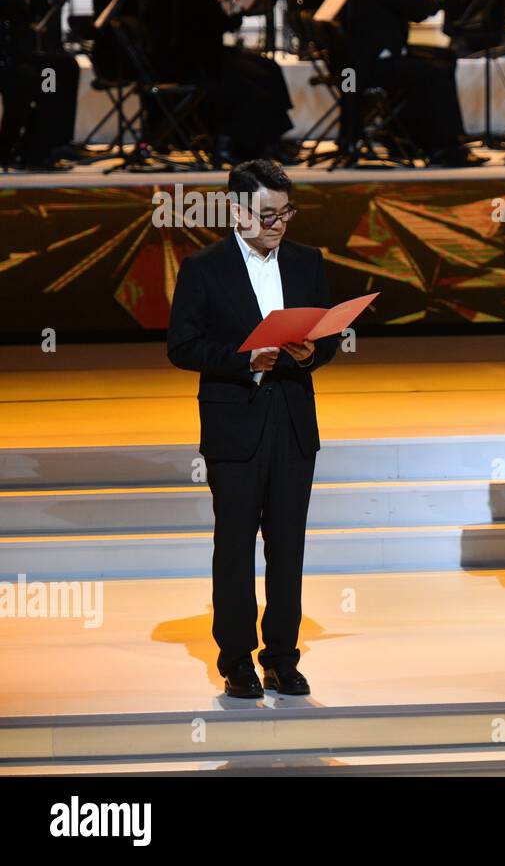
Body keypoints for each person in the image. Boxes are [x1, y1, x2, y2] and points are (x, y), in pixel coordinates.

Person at [166, 159, 340, 699]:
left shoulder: (309, 262)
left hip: (292, 423)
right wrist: (246, 360)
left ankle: (283, 658)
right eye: (267, 214)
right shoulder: (203, 268)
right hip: (234, 423)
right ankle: (236, 660)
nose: (279, 224)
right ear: (237, 210)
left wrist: (313, 352)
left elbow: (328, 335)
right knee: (235, 546)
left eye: (285, 212)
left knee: (288, 547)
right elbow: (182, 346)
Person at [143, 0, 295, 164]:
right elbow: (223, 25)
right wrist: (247, 0)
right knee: (256, 81)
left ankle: (272, 140)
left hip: (203, 56)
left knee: (268, 68)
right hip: (199, 63)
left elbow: (208, 23)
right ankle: (243, 145)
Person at [346, 0, 484, 166]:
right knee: (433, 73)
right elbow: (419, 11)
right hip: (374, 62)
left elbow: (406, 6)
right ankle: (446, 147)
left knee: (444, 57)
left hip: (379, 55)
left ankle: (420, 138)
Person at [0, 0, 80, 169]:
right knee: (43, 78)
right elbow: (13, 13)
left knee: (65, 67)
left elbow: (31, 19)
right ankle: (27, 148)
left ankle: (51, 142)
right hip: (6, 59)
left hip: (15, 55)